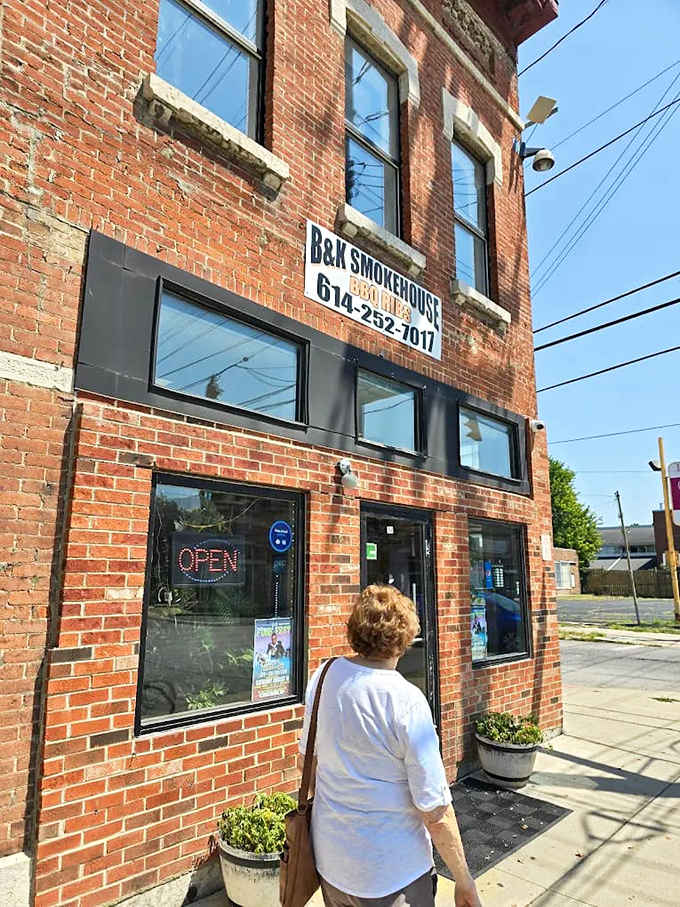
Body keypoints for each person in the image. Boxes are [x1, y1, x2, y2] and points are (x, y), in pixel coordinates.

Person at [299, 584, 481, 907]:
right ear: (404, 638)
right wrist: (463, 877)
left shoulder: (323, 677)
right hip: (393, 874)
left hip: (331, 863)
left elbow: (307, 765)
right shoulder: (407, 701)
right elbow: (435, 810)